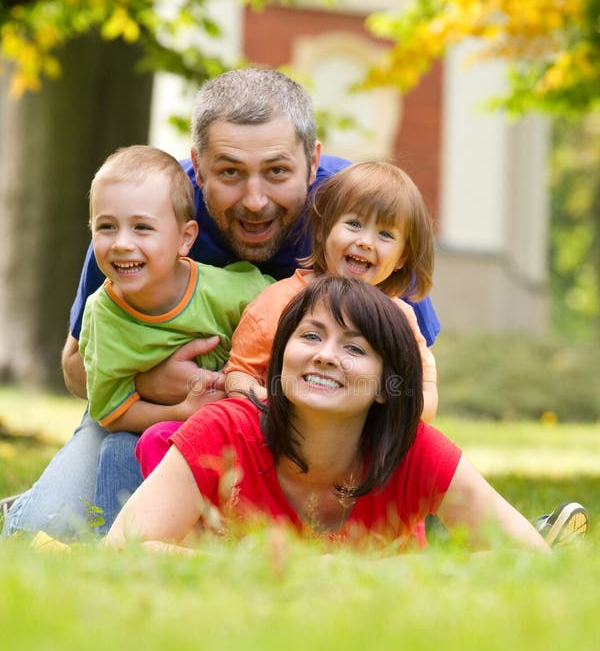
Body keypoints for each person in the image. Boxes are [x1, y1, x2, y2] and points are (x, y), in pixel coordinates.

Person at [2, 67, 439, 540]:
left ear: (312, 163)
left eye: (277, 172)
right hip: (146, 413)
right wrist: (151, 380)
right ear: (198, 164)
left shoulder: (363, 216)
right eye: (229, 172)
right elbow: (74, 365)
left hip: (319, 426)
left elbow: (408, 365)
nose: (254, 201)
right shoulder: (147, 212)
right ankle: (23, 509)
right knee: (49, 530)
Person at [105, 277, 588, 553]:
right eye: (310, 337)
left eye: (354, 347)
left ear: (385, 386)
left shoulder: (413, 450)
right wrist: (287, 570)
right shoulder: (224, 430)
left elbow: (526, 559)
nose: (326, 356)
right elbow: (122, 550)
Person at [225, 160, 438, 421]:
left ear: (403, 257)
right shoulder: (280, 301)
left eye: (385, 234)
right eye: (354, 224)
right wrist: (291, 412)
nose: (365, 242)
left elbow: (424, 396)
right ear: (323, 231)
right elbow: (238, 377)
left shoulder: (399, 318)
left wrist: (366, 416)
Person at [81, 145, 272, 432]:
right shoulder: (103, 315)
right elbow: (111, 411)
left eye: (142, 227)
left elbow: (288, 307)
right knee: (119, 451)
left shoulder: (227, 291)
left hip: (249, 420)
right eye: (107, 226)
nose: (121, 243)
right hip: (165, 427)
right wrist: (182, 412)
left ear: (185, 238)